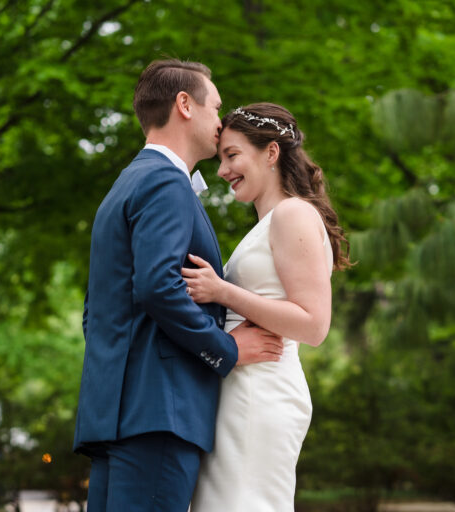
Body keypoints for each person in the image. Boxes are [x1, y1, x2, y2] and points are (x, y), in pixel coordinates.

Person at [72, 61, 284, 512]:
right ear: (185, 105)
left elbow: (97, 310)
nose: (222, 123)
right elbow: (158, 287)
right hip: (159, 416)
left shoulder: (125, 185)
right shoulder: (166, 183)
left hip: (115, 415)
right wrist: (225, 349)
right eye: (217, 107)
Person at [186, 103, 351, 512]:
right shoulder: (268, 222)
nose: (222, 170)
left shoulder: (292, 214)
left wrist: (223, 292)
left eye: (232, 155)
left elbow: (314, 325)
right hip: (242, 388)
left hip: (261, 394)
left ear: (271, 153)